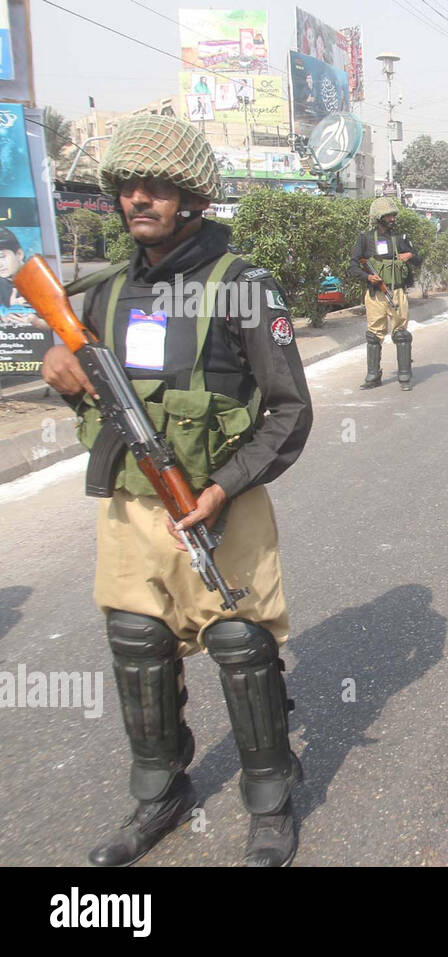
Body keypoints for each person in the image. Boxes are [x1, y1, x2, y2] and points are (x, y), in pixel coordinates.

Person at [39, 114, 313, 867]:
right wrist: (57, 371)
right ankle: (160, 791)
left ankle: (269, 796)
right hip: (131, 505)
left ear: (193, 196)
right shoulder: (103, 289)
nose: (138, 199)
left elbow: (290, 409)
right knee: (138, 642)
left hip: (224, 506)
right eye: (128, 186)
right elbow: (75, 373)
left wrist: (225, 486)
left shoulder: (244, 288)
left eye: (156, 186)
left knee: (239, 641)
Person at [349, 197, 422, 391]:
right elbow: (353, 265)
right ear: (378, 218)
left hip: (397, 291)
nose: (392, 218)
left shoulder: (401, 238)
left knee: (402, 334)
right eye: (388, 215)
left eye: (393, 215)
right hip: (376, 294)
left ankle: (405, 376)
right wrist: (367, 277)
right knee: (374, 335)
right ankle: (373, 375)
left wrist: (411, 255)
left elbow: (418, 259)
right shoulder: (365, 238)